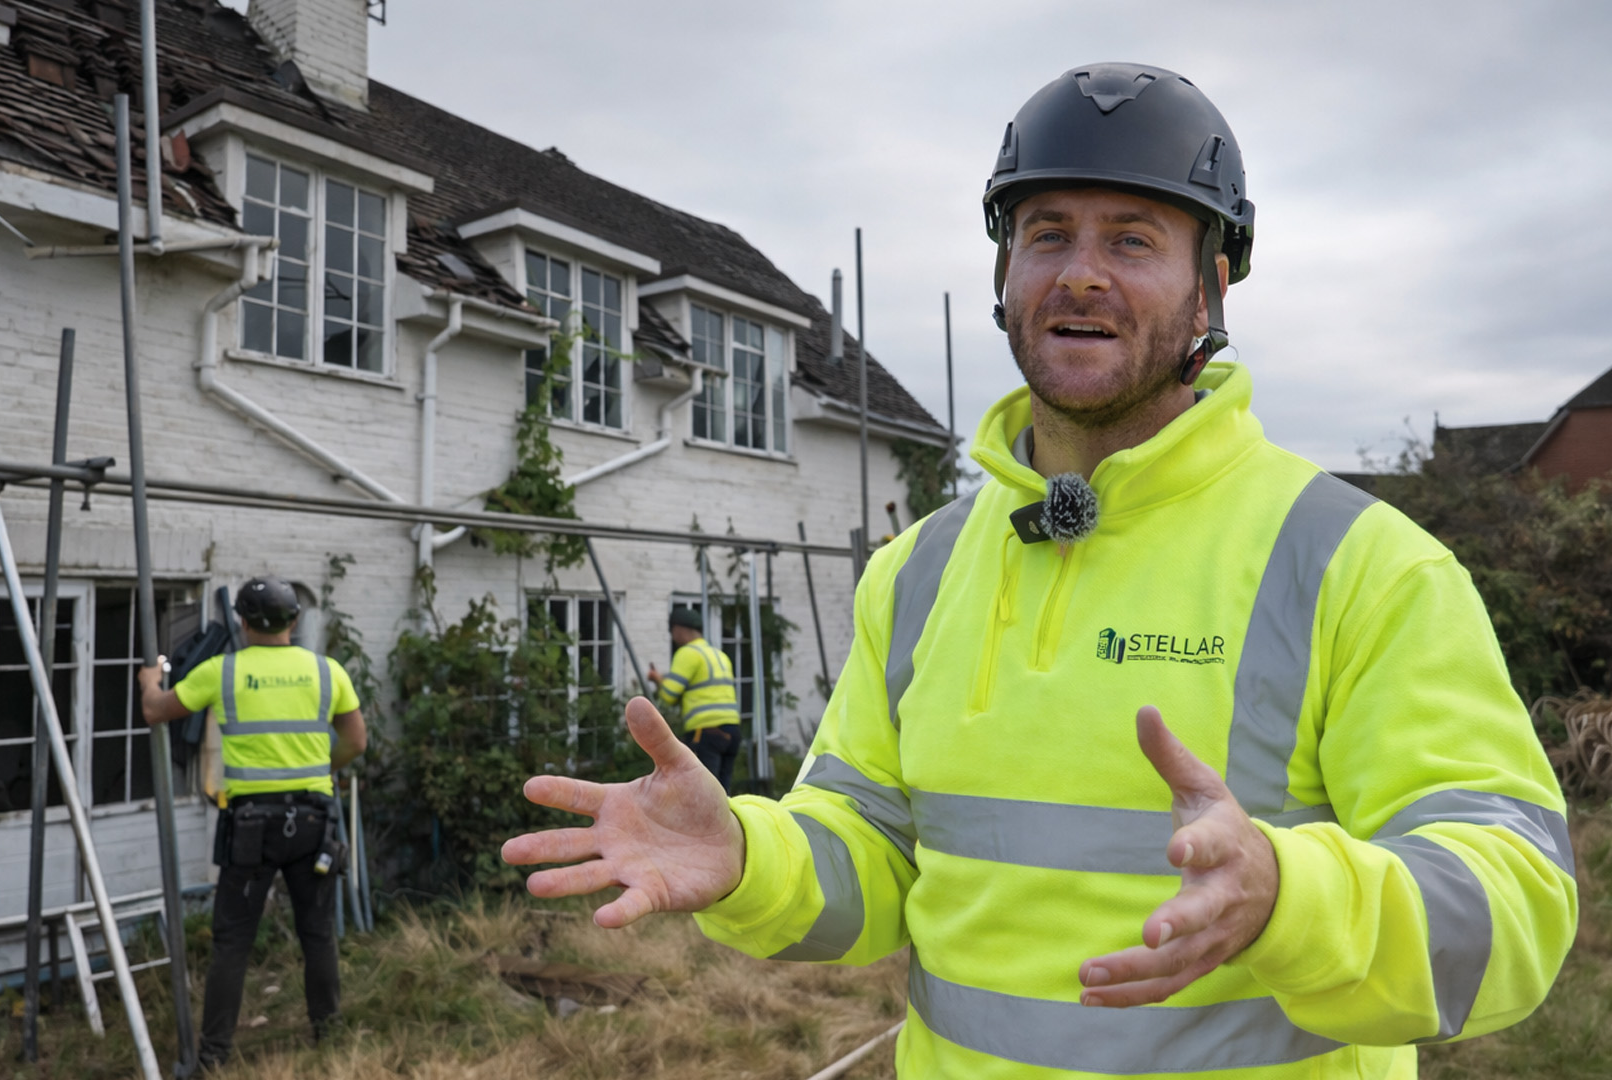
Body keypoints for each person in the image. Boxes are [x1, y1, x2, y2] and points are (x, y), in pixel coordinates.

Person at [501, 62, 1577, 1078]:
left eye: (1133, 239)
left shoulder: (1357, 562)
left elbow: (1519, 904)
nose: (1080, 272)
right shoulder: (918, 571)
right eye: (1045, 233)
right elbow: (871, 863)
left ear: (1212, 288)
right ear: (1005, 273)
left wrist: (1292, 898)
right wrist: (745, 851)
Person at [137, 576, 366, 1071]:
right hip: (313, 821)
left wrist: (149, 679)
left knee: (233, 943)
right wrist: (319, 769)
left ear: (241, 621)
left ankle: (214, 1057)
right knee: (318, 933)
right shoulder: (328, 672)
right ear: (294, 621)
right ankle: (328, 1035)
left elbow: (156, 712)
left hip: (249, 829)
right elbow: (355, 742)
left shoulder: (222, 671)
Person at [646, 607, 742, 791]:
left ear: (679, 630)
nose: (674, 638)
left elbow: (669, 695)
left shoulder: (687, 653)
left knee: (704, 793)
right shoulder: (719, 655)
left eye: (673, 633)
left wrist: (658, 679)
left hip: (707, 731)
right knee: (723, 794)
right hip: (732, 731)